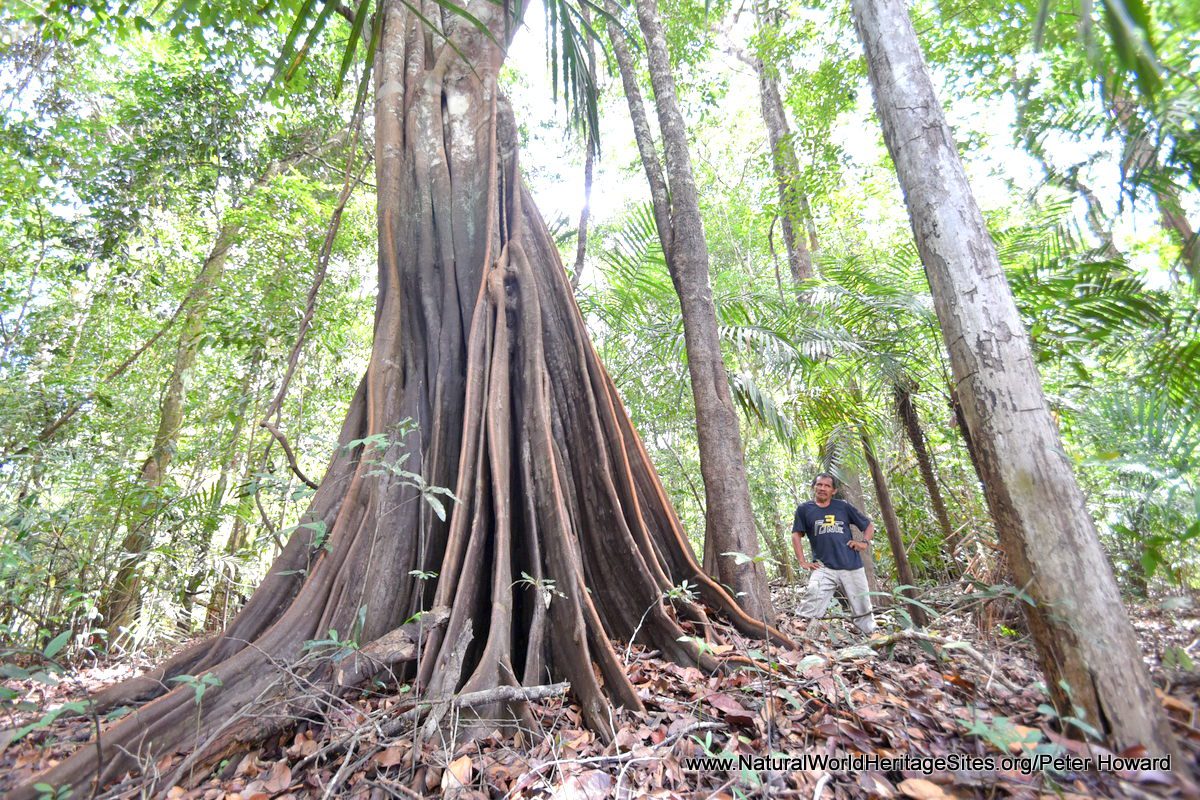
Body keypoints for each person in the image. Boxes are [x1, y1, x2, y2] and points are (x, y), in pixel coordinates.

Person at [792, 472, 877, 635]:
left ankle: (870, 639)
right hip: (823, 567)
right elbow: (796, 534)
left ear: (834, 491)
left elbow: (868, 526)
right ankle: (802, 638)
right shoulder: (804, 509)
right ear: (814, 487)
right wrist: (802, 561)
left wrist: (864, 543)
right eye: (819, 485)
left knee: (863, 609)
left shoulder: (843, 506)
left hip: (851, 565)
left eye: (827, 486)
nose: (822, 488)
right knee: (810, 602)